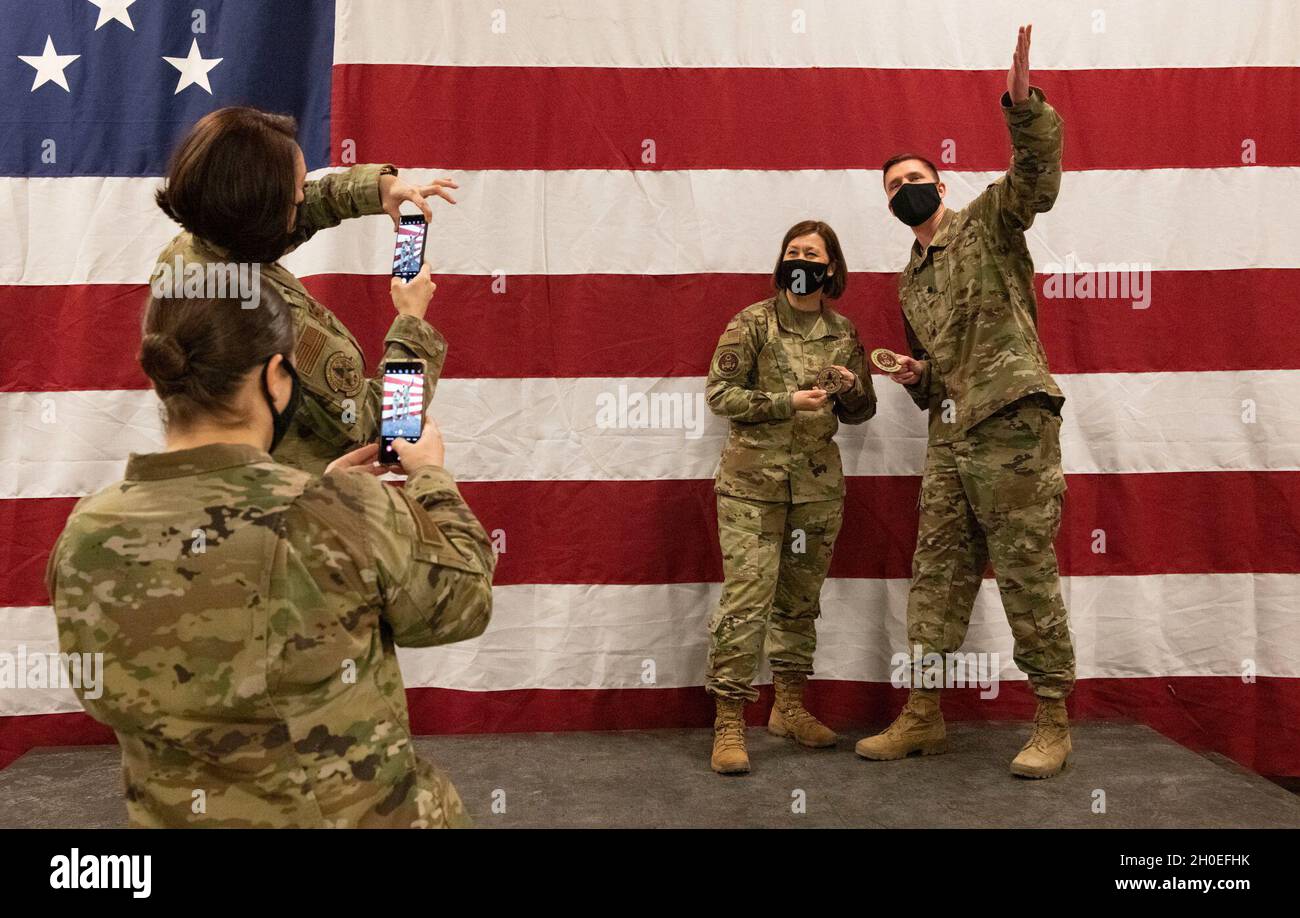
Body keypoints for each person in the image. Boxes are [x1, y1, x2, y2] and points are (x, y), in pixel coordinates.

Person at [44, 271, 495, 827]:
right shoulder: (340, 514)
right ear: (277, 378)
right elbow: (464, 602)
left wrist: (324, 495)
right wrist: (429, 478)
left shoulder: (85, 531)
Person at [855, 25, 1075, 778]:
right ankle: (923, 715)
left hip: (1012, 420)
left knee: (1024, 569)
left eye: (912, 178)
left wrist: (1023, 108)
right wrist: (920, 381)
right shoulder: (908, 282)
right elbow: (943, 374)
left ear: (940, 185)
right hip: (951, 436)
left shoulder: (986, 222)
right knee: (937, 573)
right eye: (891, 187)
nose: (903, 190)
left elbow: (1036, 179)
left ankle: (1052, 719)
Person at [152, 105, 458, 474]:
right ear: (263, 208)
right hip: (299, 513)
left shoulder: (190, 250)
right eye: (295, 194)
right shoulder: (275, 323)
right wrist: (411, 319)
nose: (303, 198)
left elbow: (286, 213)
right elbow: (383, 426)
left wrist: (378, 189)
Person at [703, 220, 877, 774]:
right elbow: (720, 394)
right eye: (792, 251)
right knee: (747, 600)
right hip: (752, 488)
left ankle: (790, 706)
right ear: (782, 261)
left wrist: (851, 388)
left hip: (817, 490)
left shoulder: (844, 331)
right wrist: (785, 402)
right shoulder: (751, 323)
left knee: (800, 603)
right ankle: (729, 720)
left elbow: (862, 411)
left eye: (812, 254)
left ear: (830, 268)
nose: (800, 260)